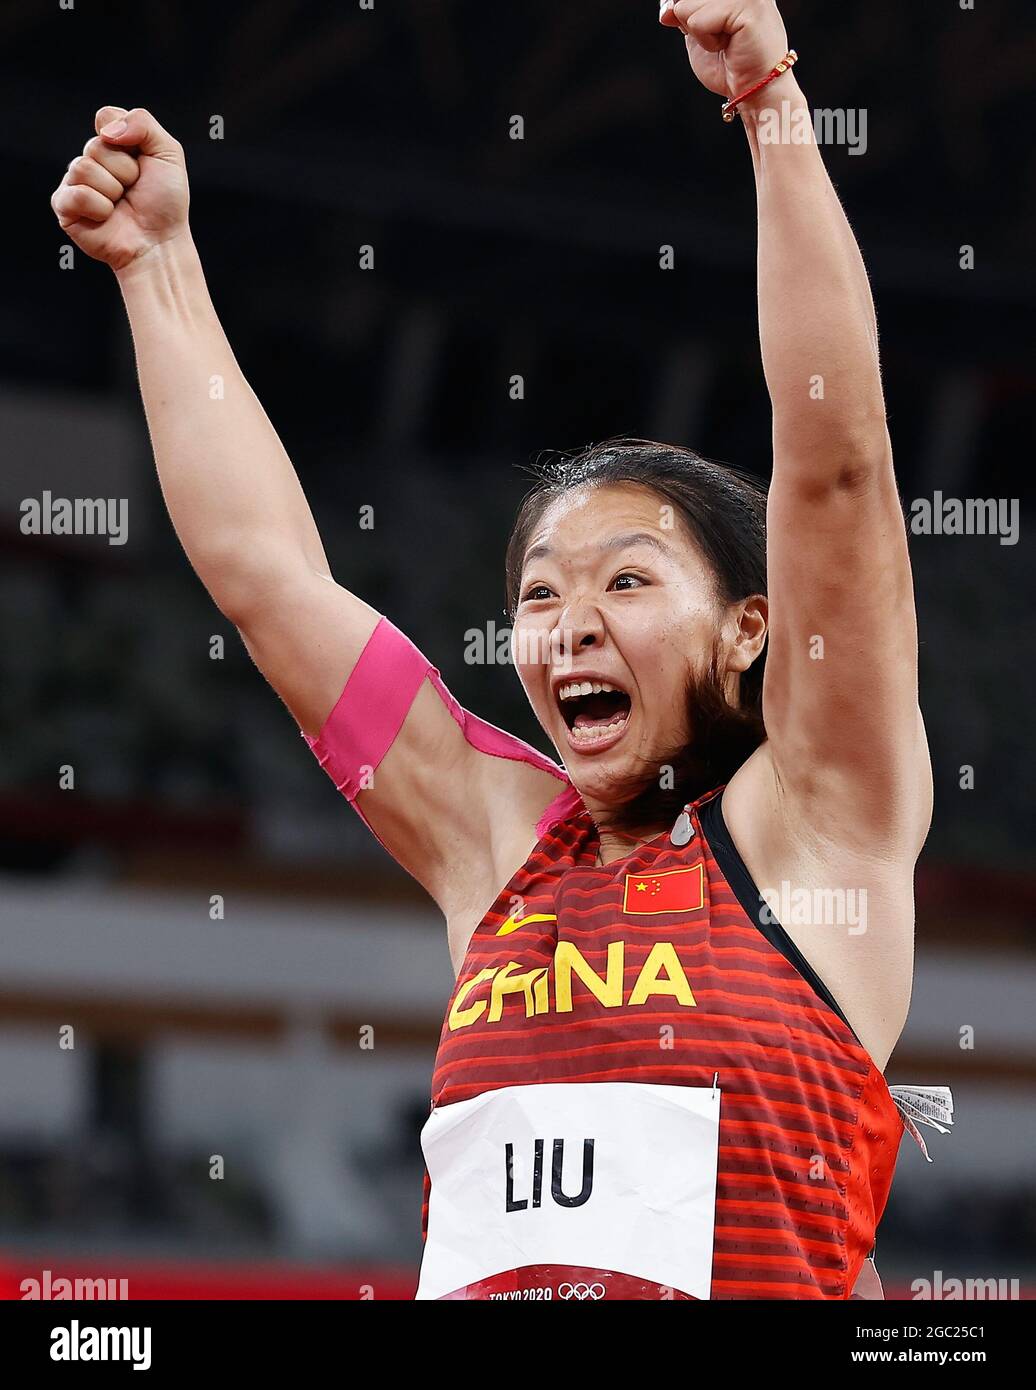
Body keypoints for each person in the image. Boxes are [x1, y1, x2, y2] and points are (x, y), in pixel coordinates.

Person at [51, 0, 949, 1300]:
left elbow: (838, 467)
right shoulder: (497, 839)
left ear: (753, 626)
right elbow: (267, 575)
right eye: (538, 591)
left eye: (626, 579)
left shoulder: (823, 823)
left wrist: (771, 108)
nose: (567, 620)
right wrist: (158, 269)